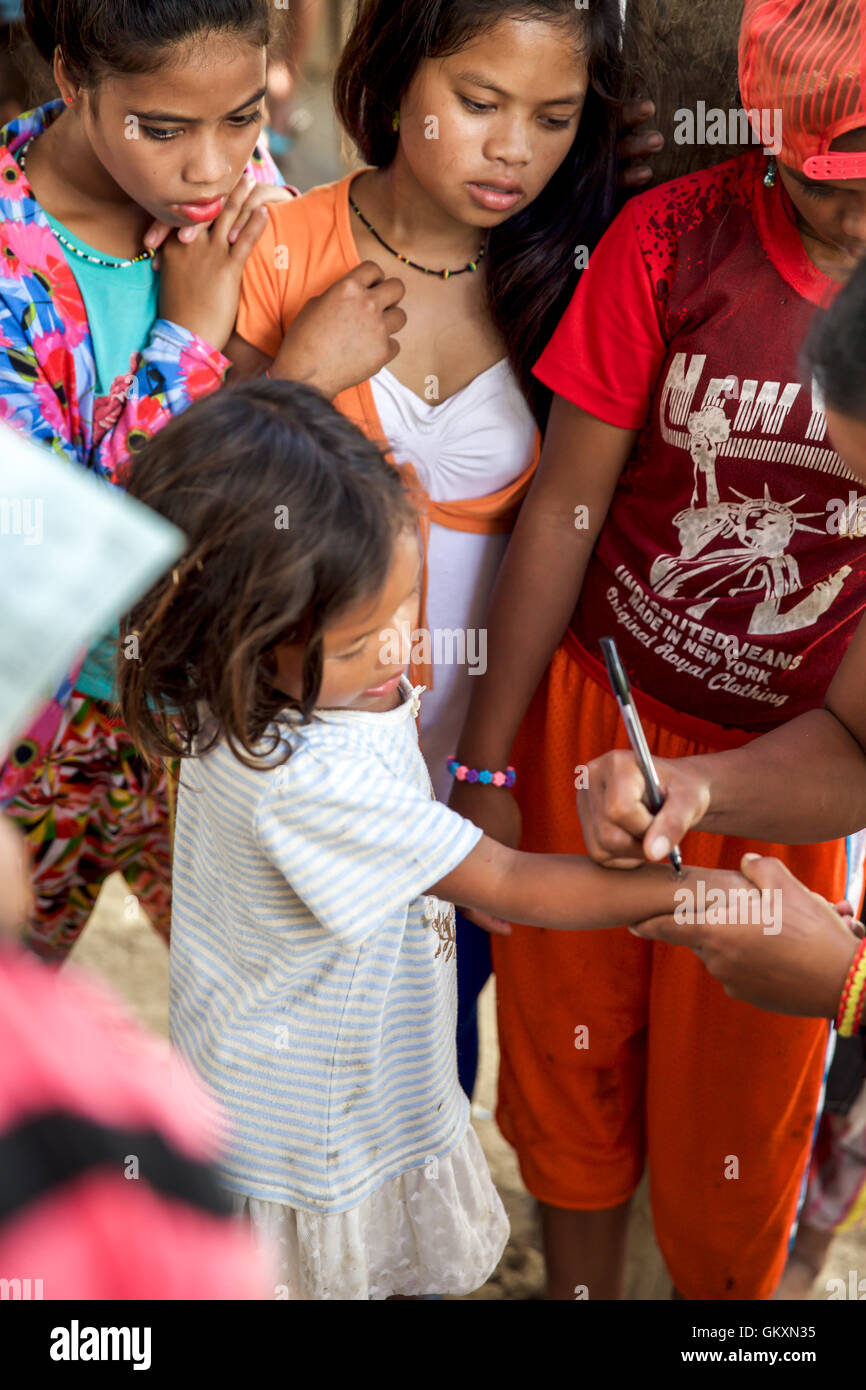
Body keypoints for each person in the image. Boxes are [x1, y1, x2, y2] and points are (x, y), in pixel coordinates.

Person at [115, 379, 749, 1300]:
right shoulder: (304, 778)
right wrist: (694, 895)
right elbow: (504, 888)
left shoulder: (256, 693)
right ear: (243, 638)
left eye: (406, 612)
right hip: (316, 1133)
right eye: (363, 638)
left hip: (294, 1086)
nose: (397, 654)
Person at [450, 0, 866, 1300]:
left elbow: (856, 748)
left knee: (736, 1118)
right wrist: (491, 761)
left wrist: (720, 796)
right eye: (816, 182)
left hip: (788, 775)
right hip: (594, 717)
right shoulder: (675, 240)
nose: (848, 221)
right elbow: (565, 511)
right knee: (567, 1064)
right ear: (762, 138)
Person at [230, 0, 662, 1100]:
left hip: (470, 773)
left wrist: (486, 761)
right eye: (477, 104)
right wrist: (302, 372)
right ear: (395, 75)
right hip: (297, 778)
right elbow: (213, 519)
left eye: (554, 117)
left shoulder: (570, 273)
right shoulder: (281, 248)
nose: (513, 148)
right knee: (281, 1074)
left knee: (428, 1055)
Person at [0, 0, 397, 966]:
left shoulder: (244, 191)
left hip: (212, 711)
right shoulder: (13, 268)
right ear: (72, 85)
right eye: (165, 130)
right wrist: (236, 356)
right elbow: (70, 548)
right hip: (38, 745)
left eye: (243, 117)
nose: (213, 169)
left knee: (243, 999)